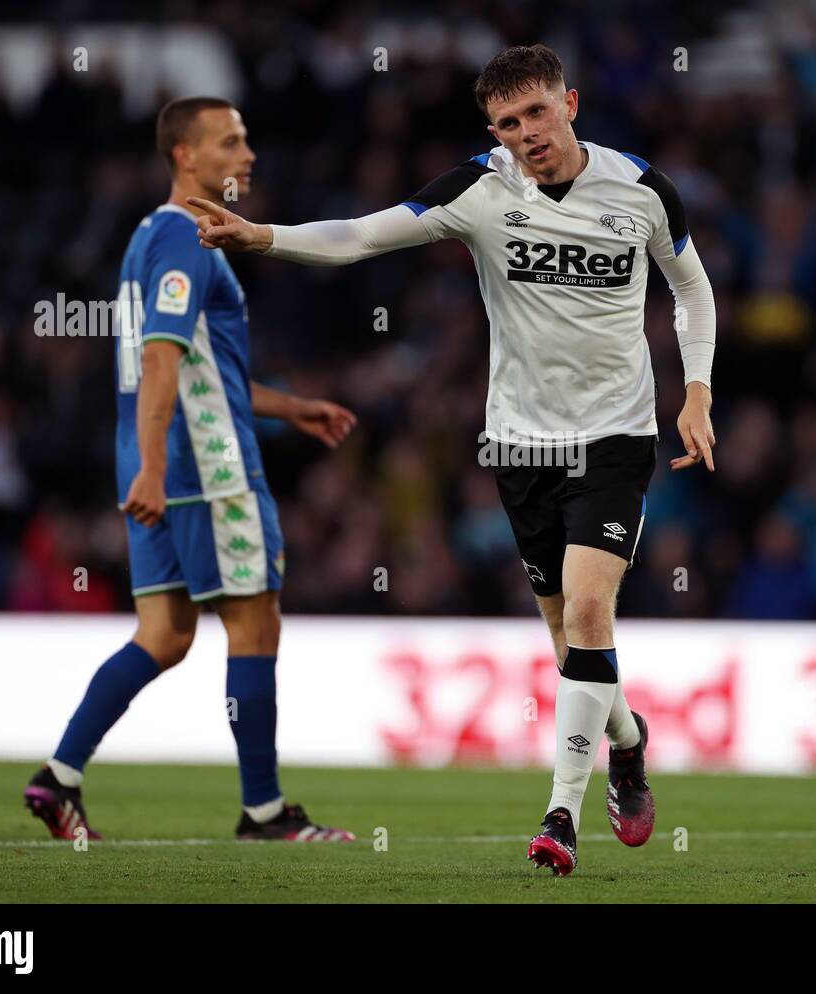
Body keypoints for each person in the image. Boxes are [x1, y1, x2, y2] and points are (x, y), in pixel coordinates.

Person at [189, 45, 717, 875]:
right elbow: (364, 236)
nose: (526, 135)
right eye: (507, 124)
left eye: (537, 113)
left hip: (616, 436)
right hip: (519, 443)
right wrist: (263, 236)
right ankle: (628, 739)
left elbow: (690, 287)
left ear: (570, 103)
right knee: (571, 640)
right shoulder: (481, 189)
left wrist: (697, 390)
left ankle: (559, 817)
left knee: (586, 613)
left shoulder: (643, 190)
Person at [24, 97, 357, 843]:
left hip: (163, 466)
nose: (248, 156)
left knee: (166, 633)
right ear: (185, 156)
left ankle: (59, 776)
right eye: (230, 142)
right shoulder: (188, 236)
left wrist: (289, 405)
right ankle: (264, 812)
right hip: (207, 467)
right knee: (254, 624)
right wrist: (154, 466)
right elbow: (161, 358)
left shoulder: (148, 234)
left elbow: (200, 365)